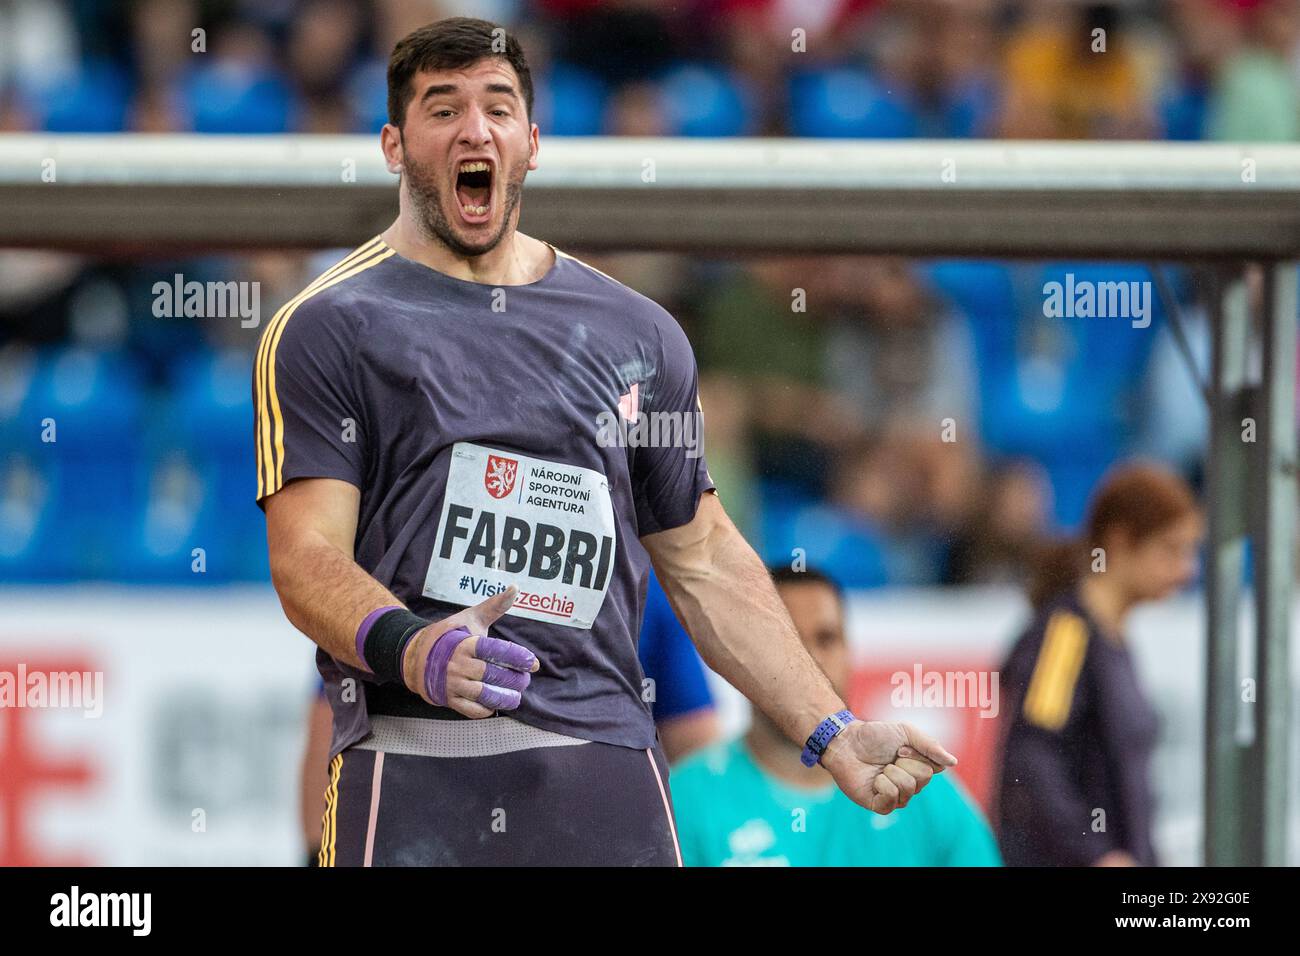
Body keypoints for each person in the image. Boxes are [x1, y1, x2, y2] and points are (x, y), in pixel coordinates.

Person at [254, 16, 955, 866]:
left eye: (498, 108)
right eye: (444, 109)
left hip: (607, 773)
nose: (475, 129)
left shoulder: (638, 334)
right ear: (395, 146)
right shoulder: (328, 328)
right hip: (415, 765)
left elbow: (700, 556)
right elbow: (304, 560)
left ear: (533, 142)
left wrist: (831, 731)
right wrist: (416, 647)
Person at [296, 568, 719, 863]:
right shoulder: (402, 584)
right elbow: (335, 720)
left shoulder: (640, 590)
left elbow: (696, 747)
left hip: (583, 836)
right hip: (428, 828)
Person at [671, 566, 1000, 866]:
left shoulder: (922, 790)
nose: (810, 659)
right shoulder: (685, 800)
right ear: (745, 658)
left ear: (850, 652)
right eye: (790, 642)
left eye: (826, 638)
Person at [993, 462, 1203, 866]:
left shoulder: (1111, 636)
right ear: (1121, 541)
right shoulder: (1066, 633)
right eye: (1171, 549)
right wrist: (1092, 854)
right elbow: (1032, 754)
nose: (1186, 570)